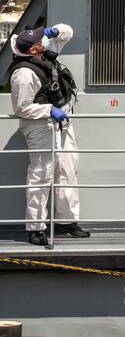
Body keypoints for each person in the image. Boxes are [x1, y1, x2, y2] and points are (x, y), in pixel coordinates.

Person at [10, 25, 89, 247]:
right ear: (33, 50)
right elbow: (21, 108)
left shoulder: (42, 49)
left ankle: (67, 221)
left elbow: (68, 32)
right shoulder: (24, 74)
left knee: (68, 168)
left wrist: (53, 31)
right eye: (39, 39)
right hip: (39, 125)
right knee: (41, 174)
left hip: (62, 121)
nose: (43, 40)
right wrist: (48, 111)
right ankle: (36, 228)